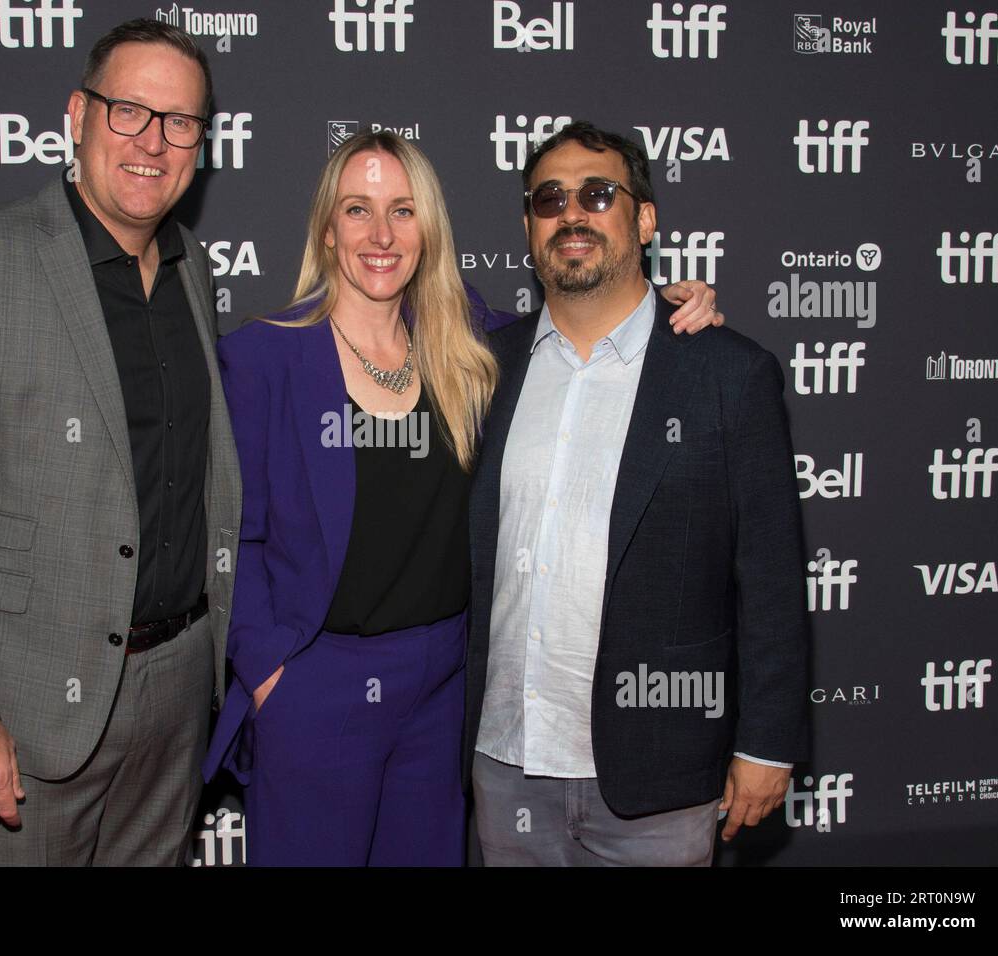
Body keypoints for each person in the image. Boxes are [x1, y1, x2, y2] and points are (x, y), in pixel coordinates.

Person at [202, 130, 722, 866]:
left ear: (429, 229)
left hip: (445, 688)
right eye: (358, 210)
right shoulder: (262, 357)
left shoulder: (469, 339)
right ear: (327, 229)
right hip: (316, 683)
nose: (381, 235)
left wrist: (666, 305)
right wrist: (269, 675)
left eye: (403, 211)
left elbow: (586, 321)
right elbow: (232, 536)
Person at [0, 19, 240, 866]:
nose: (154, 141)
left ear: (202, 143)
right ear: (77, 114)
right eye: (128, 111)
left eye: (180, 121)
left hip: (177, 693)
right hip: (29, 711)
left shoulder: (193, 269)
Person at [464, 121, 810, 866]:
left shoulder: (726, 373)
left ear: (644, 219)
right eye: (549, 199)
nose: (572, 215)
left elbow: (773, 580)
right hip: (505, 761)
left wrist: (768, 743)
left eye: (598, 193)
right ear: (529, 227)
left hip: (660, 771)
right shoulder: (488, 369)